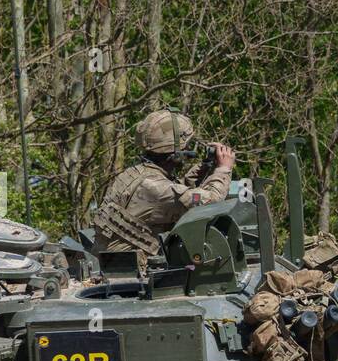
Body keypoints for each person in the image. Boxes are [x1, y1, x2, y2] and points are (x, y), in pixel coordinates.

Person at [92, 109, 236, 259]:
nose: (188, 149)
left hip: (114, 264)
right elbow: (211, 202)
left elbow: (177, 190)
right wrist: (223, 169)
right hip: (129, 274)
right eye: (186, 145)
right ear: (175, 152)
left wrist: (206, 165)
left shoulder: (138, 174)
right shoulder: (155, 188)